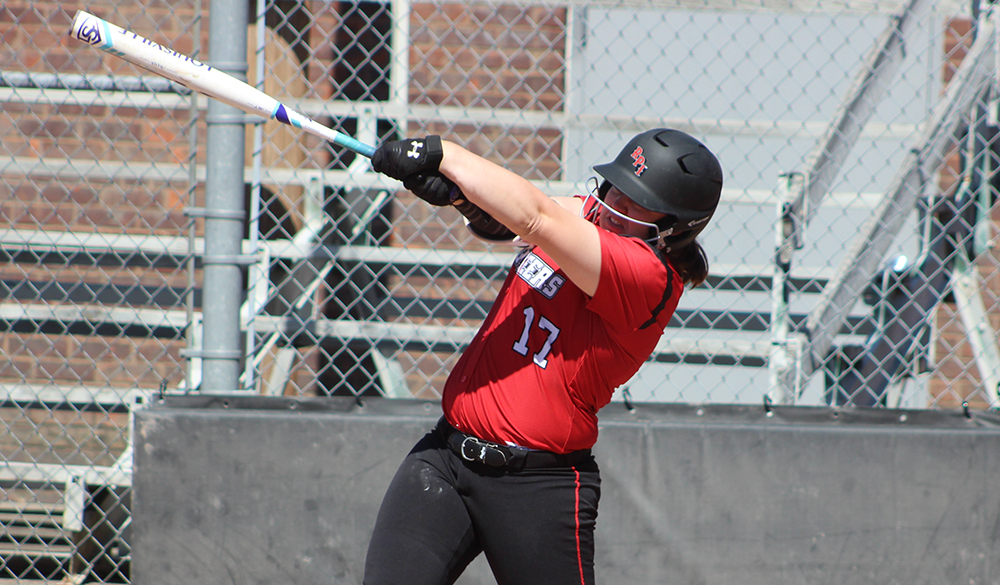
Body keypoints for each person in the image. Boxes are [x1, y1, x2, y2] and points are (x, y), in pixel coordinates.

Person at [363, 128, 723, 585]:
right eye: (616, 189)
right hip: (446, 459)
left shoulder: (647, 277)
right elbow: (517, 216)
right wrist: (459, 196)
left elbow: (536, 218)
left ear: (673, 229)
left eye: (634, 206)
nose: (614, 206)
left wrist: (441, 154)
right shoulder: (595, 214)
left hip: (536, 487)